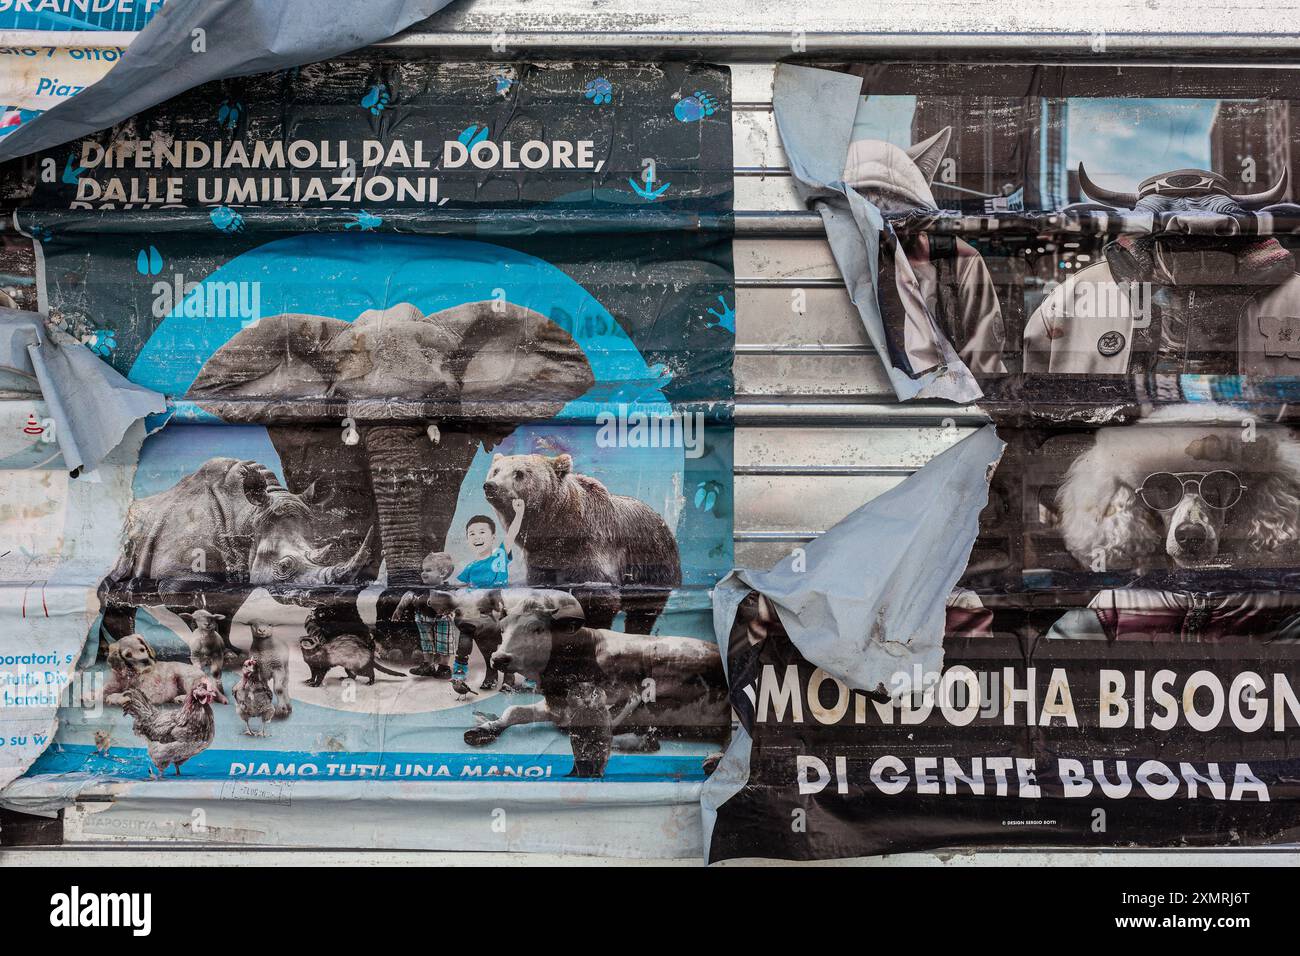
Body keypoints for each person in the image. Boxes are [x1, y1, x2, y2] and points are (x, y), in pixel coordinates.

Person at [392, 552, 457, 678]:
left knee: (444, 641)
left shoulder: (447, 589)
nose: (423, 573)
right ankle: (428, 665)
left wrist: (450, 607)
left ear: (442, 573)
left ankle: (444, 667)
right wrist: (399, 608)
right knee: (426, 641)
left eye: (428, 570)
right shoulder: (421, 587)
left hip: (442, 618)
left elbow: (455, 601)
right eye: (423, 570)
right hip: (423, 617)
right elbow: (409, 594)